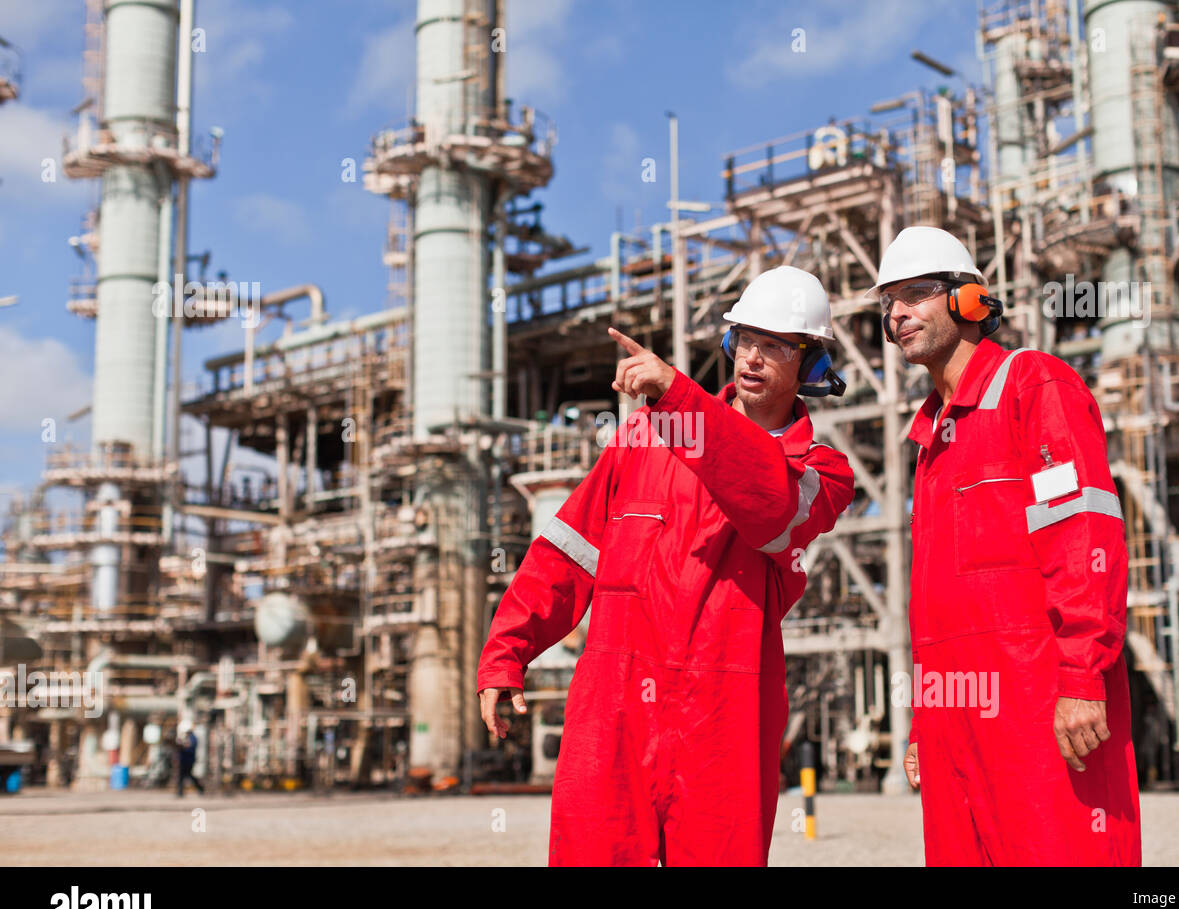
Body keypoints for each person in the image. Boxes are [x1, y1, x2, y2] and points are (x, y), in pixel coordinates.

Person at [477, 266, 854, 866]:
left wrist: (679, 394)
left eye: (776, 345)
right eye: (745, 341)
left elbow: (770, 507)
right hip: (615, 703)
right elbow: (567, 550)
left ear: (810, 365)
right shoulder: (643, 439)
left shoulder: (821, 473)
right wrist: (506, 651)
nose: (752, 359)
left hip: (724, 714)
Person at [874, 226, 1141, 865]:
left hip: (1038, 705)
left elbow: (1084, 531)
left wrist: (1082, 675)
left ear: (969, 300)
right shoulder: (931, 436)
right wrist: (925, 718)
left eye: (915, 294)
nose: (898, 314)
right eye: (889, 303)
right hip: (953, 717)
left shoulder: (1033, 385)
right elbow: (935, 604)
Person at [175, 721, 204, 798]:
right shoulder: (186, 737)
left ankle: (199, 788)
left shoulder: (192, 737)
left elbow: (189, 747)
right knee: (183, 776)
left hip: (188, 760)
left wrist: (181, 745)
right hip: (184, 759)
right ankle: (180, 792)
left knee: (187, 776)